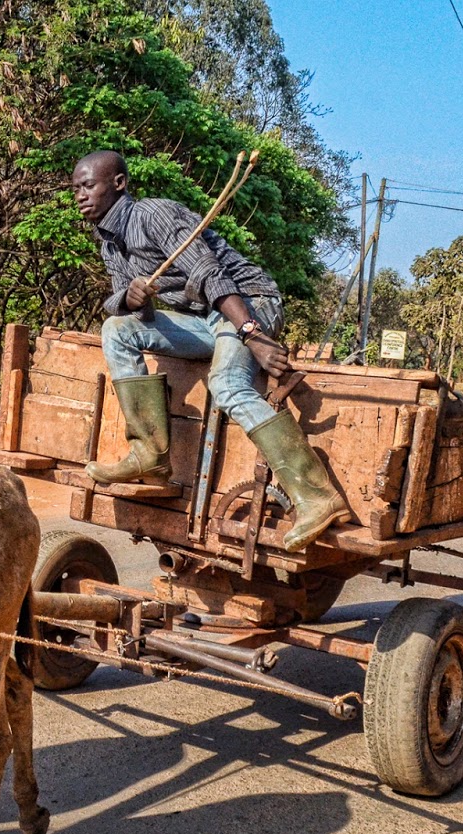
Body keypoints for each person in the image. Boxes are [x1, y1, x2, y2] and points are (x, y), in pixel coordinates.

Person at [70, 150, 351, 552]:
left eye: (88, 185)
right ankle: (149, 454)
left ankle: (317, 496)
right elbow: (137, 312)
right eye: (76, 188)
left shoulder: (154, 215)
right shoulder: (110, 245)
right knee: (116, 328)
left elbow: (210, 275)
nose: (80, 195)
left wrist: (252, 335)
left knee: (227, 384)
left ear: (118, 183)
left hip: (248, 303)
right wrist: (132, 300)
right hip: (205, 319)